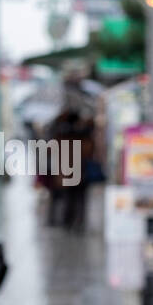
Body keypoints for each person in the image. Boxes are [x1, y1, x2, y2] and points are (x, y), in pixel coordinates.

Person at [45, 92, 93, 230]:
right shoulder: (84, 137)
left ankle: (65, 221)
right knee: (79, 199)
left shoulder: (59, 136)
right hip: (80, 172)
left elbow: (50, 151)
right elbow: (89, 153)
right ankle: (77, 222)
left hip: (64, 172)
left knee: (66, 197)